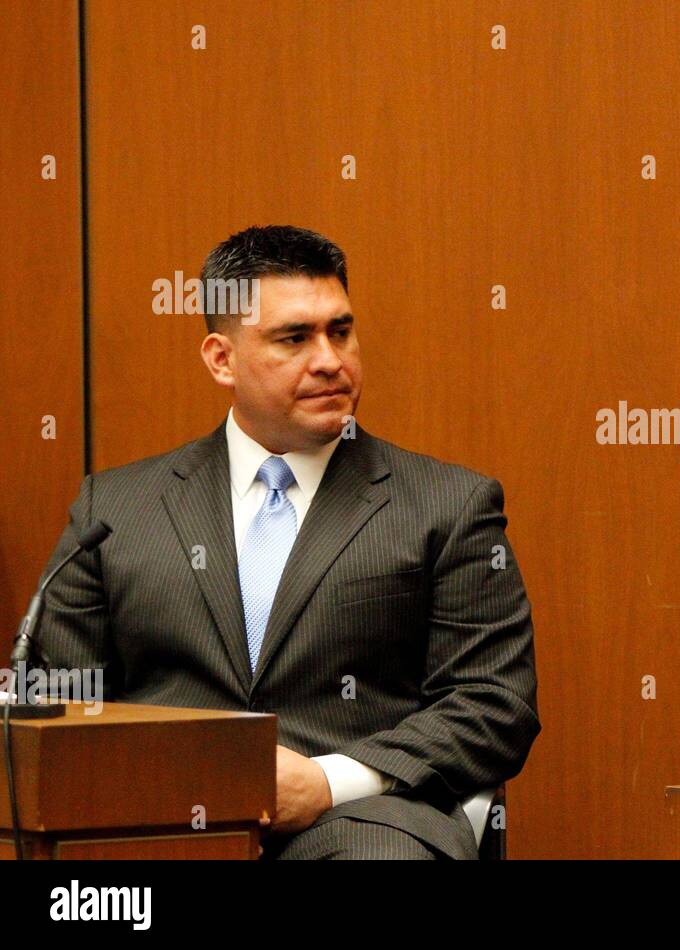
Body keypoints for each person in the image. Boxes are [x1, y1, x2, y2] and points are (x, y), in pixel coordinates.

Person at [37, 225, 539, 859]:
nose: (329, 359)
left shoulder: (447, 505)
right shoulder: (115, 510)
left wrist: (327, 780)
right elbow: (51, 705)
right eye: (294, 338)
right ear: (222, 358)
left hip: (360, 823)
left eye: (341, 331)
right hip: (159, 826)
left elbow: (495, 706)